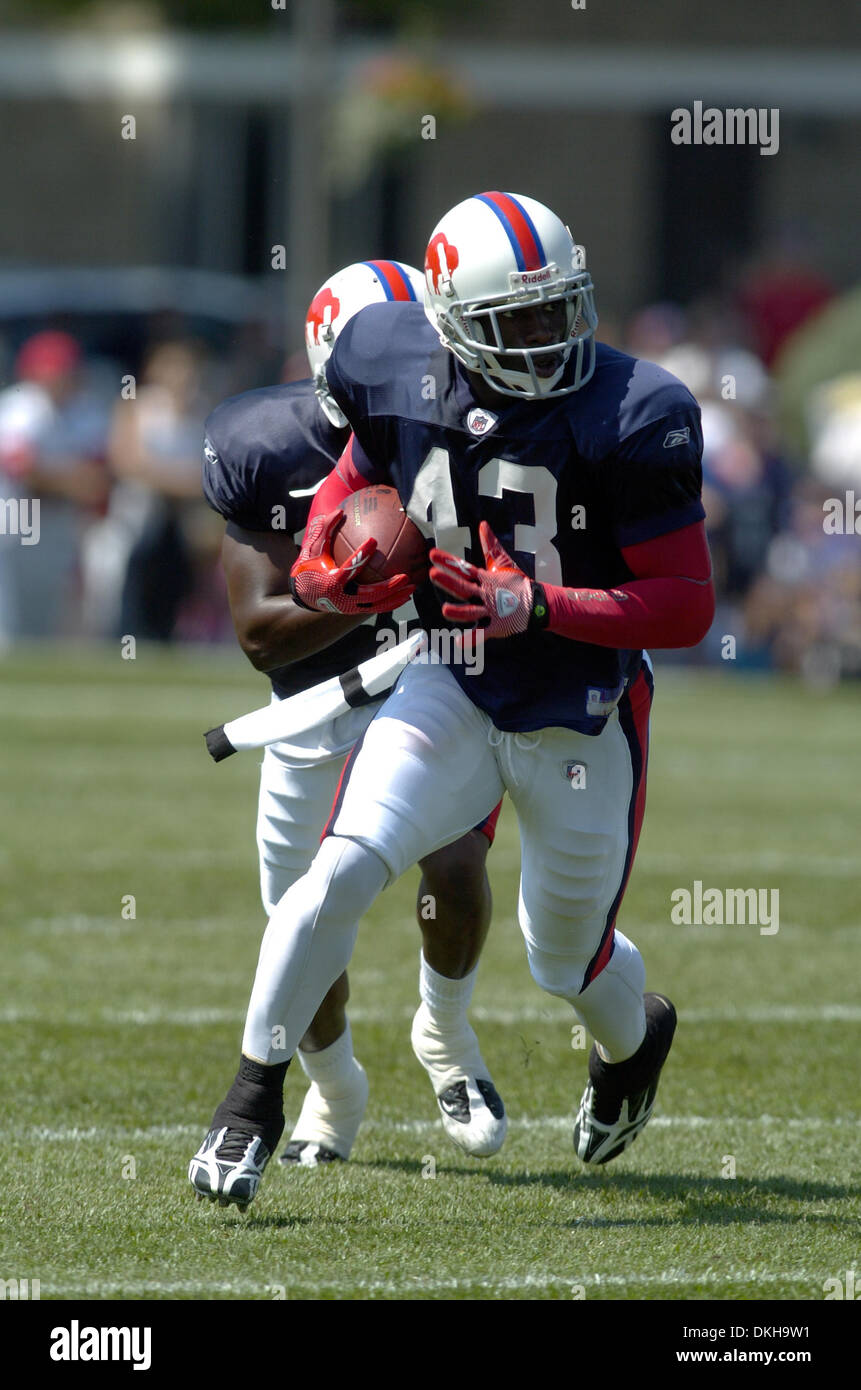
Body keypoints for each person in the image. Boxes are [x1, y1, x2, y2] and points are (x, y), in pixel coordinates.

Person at [190, 193, 714, 1210]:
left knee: (564, 962)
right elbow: (357, 474)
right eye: (519, 321)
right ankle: (254, 1096)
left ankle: (636, 1037)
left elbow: (688, 605)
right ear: (451, 325)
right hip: (455, 676)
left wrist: (544, 601)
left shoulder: (636, 410)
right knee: (339, 869)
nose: (550, 337)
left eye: (560, 309)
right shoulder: (389, 357)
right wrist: (326, 556)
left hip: (583, 709)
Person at [191, 260, 506, 1196]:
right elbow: (257, 635)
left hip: (430, 689)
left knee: (453, 863)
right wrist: (366, 585)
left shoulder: (474, 428)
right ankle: (334, 1087)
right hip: (309, 707)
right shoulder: (263, 443)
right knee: (302, 914)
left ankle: (444, 1036)